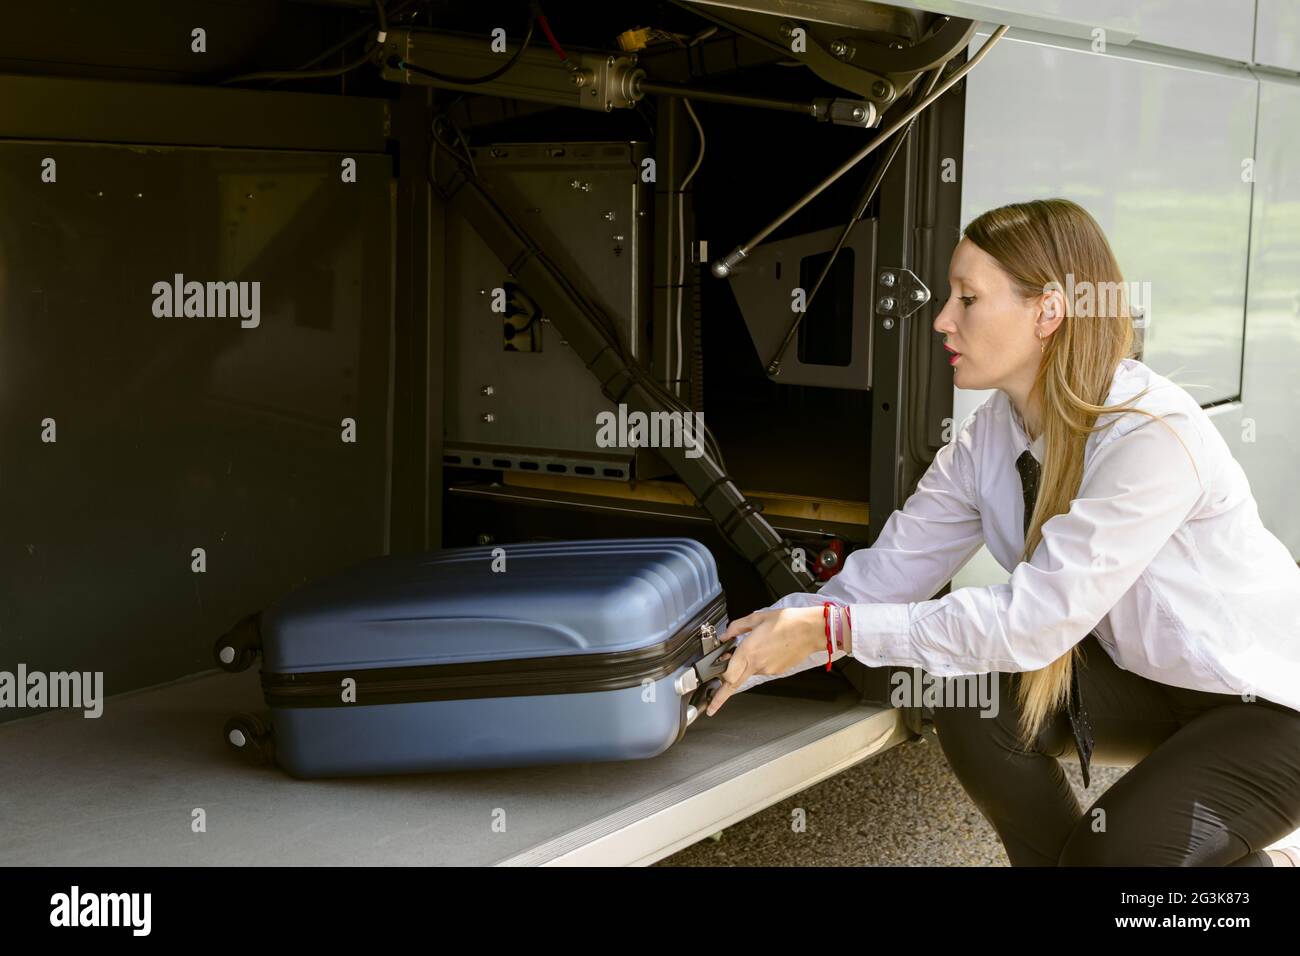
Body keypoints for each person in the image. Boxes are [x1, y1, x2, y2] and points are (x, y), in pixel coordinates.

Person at [704, 198, 1300, 867]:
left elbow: (1031, 625)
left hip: (1272, 708)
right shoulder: (993, 433)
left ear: (1048, 312)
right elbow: (884, 578)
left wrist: (839, 632)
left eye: (968, 299)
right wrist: (729, 663)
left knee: (1118, 867)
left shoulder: (1150, 435)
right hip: (1155, 684)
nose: (942, 320)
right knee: (968, 691)